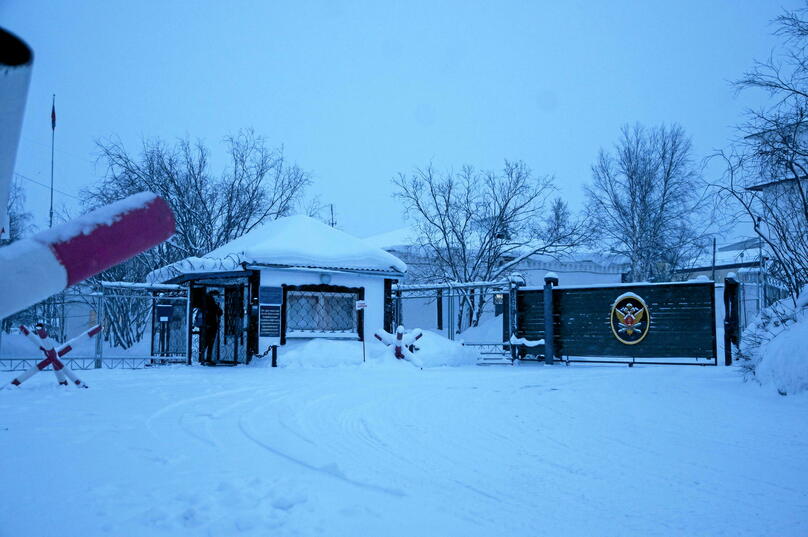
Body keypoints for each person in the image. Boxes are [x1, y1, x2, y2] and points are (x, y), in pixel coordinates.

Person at [199, 289, 223, 365]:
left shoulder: (205, 302)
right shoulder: (211, 303)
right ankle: (206, 358)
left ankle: (202, 357)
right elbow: (219, 312)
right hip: (211, 325)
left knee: (206, 342)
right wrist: (217, 305)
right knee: (209, 342)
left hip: (206, 325)